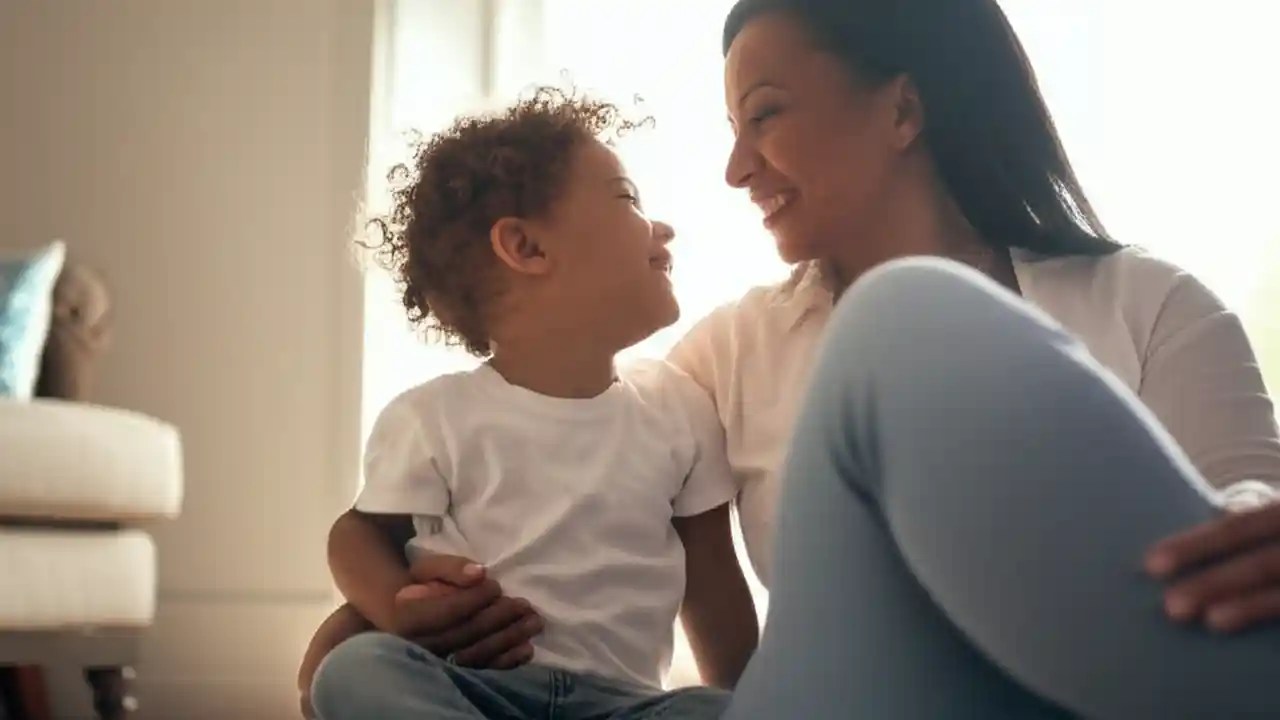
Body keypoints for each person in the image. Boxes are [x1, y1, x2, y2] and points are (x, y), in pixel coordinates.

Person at [300, 0, 1280, 716]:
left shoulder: (1151, 306)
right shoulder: (714, 365)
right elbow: (560, 473)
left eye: (762, 113)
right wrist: (377, 631)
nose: (732, 169)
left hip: (1131, 680)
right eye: (730, 131)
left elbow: (1246, 500)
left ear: (901, 110)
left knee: (902, 312)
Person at [305, 91, 756, 720]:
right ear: (527, 247)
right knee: (354, 670)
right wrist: (397, 608)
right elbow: (355, 535)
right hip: (478, 692)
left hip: (627, 707)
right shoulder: (431, 419)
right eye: (628, 199)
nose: (662, 228)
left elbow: (714, 588)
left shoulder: (679, 408)